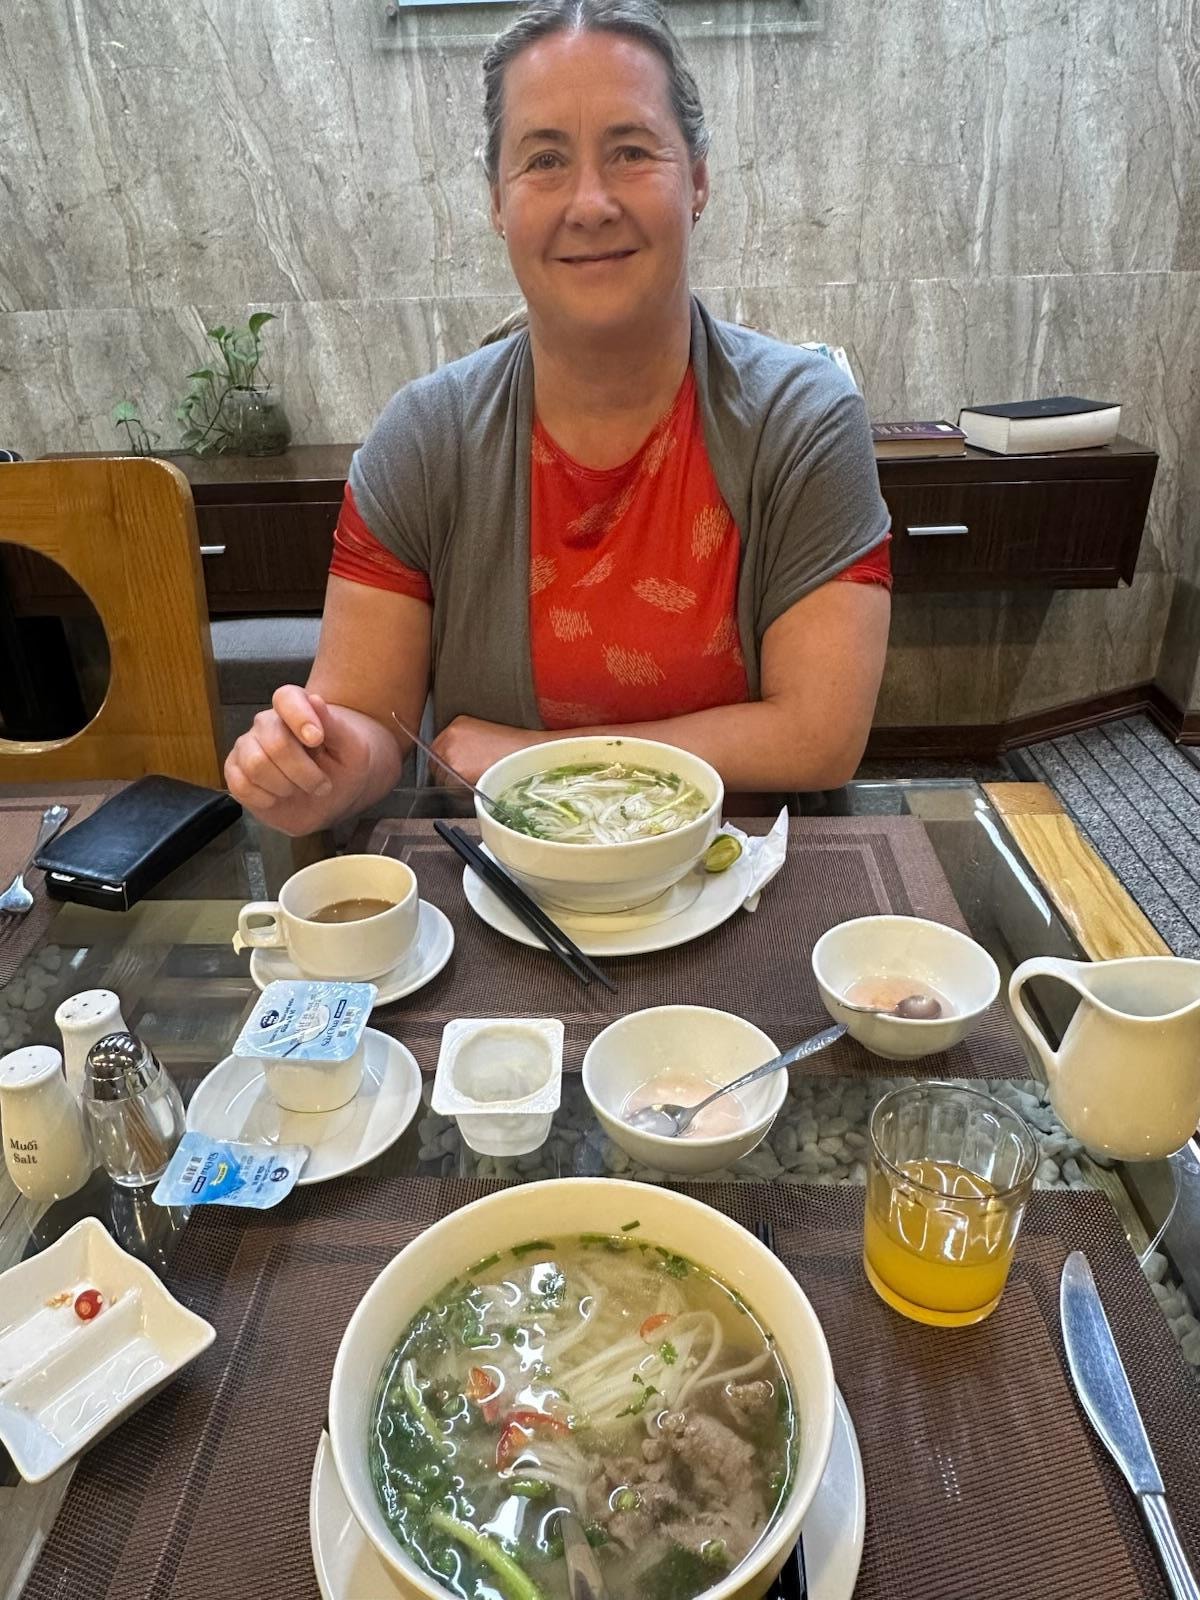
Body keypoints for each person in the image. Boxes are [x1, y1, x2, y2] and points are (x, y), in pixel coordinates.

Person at [225, 0, 892, 836]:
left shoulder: (803, 422)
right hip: (502, 891)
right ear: (497, 202)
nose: (591, 202)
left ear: (698, 180)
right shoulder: (425, 439)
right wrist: (318, 766)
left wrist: (531, 759)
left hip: (742, 884)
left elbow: (818, 737)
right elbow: (365, 718)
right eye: (545, 160)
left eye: (631, 151)